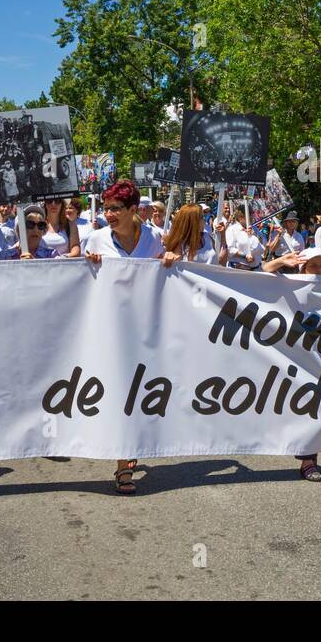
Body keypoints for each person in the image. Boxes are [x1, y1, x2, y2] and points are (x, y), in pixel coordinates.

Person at [83, 180, 169, 493]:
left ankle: (135, 448)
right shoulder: (96, 238)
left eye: (115, 209)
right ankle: (124, 466)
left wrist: (168, 260)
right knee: (122, 395)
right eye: (106, 208)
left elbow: (165, 275)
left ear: (134, 210)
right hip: (110, 330)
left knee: (142, 394)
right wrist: (88, 266)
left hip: (146, 329)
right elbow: (79, 283)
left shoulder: (154, 238)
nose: (108, 214)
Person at [260, 247, 321, 481]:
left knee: (318, 405)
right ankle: (304, 458)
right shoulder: (289, 284)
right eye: (312, 265)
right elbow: (261, 273)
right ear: (302, 267)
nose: (318, 270)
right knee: (299, 404)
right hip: (293, 356)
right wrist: (280, 261)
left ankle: (309, 459)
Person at [162, 204, 227, 265]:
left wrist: (223, 236)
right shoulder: (180, 245)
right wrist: (170, 257)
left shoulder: (207, 238)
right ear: (192, 222)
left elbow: (221, 263)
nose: (204, 219)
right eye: (201, 217)